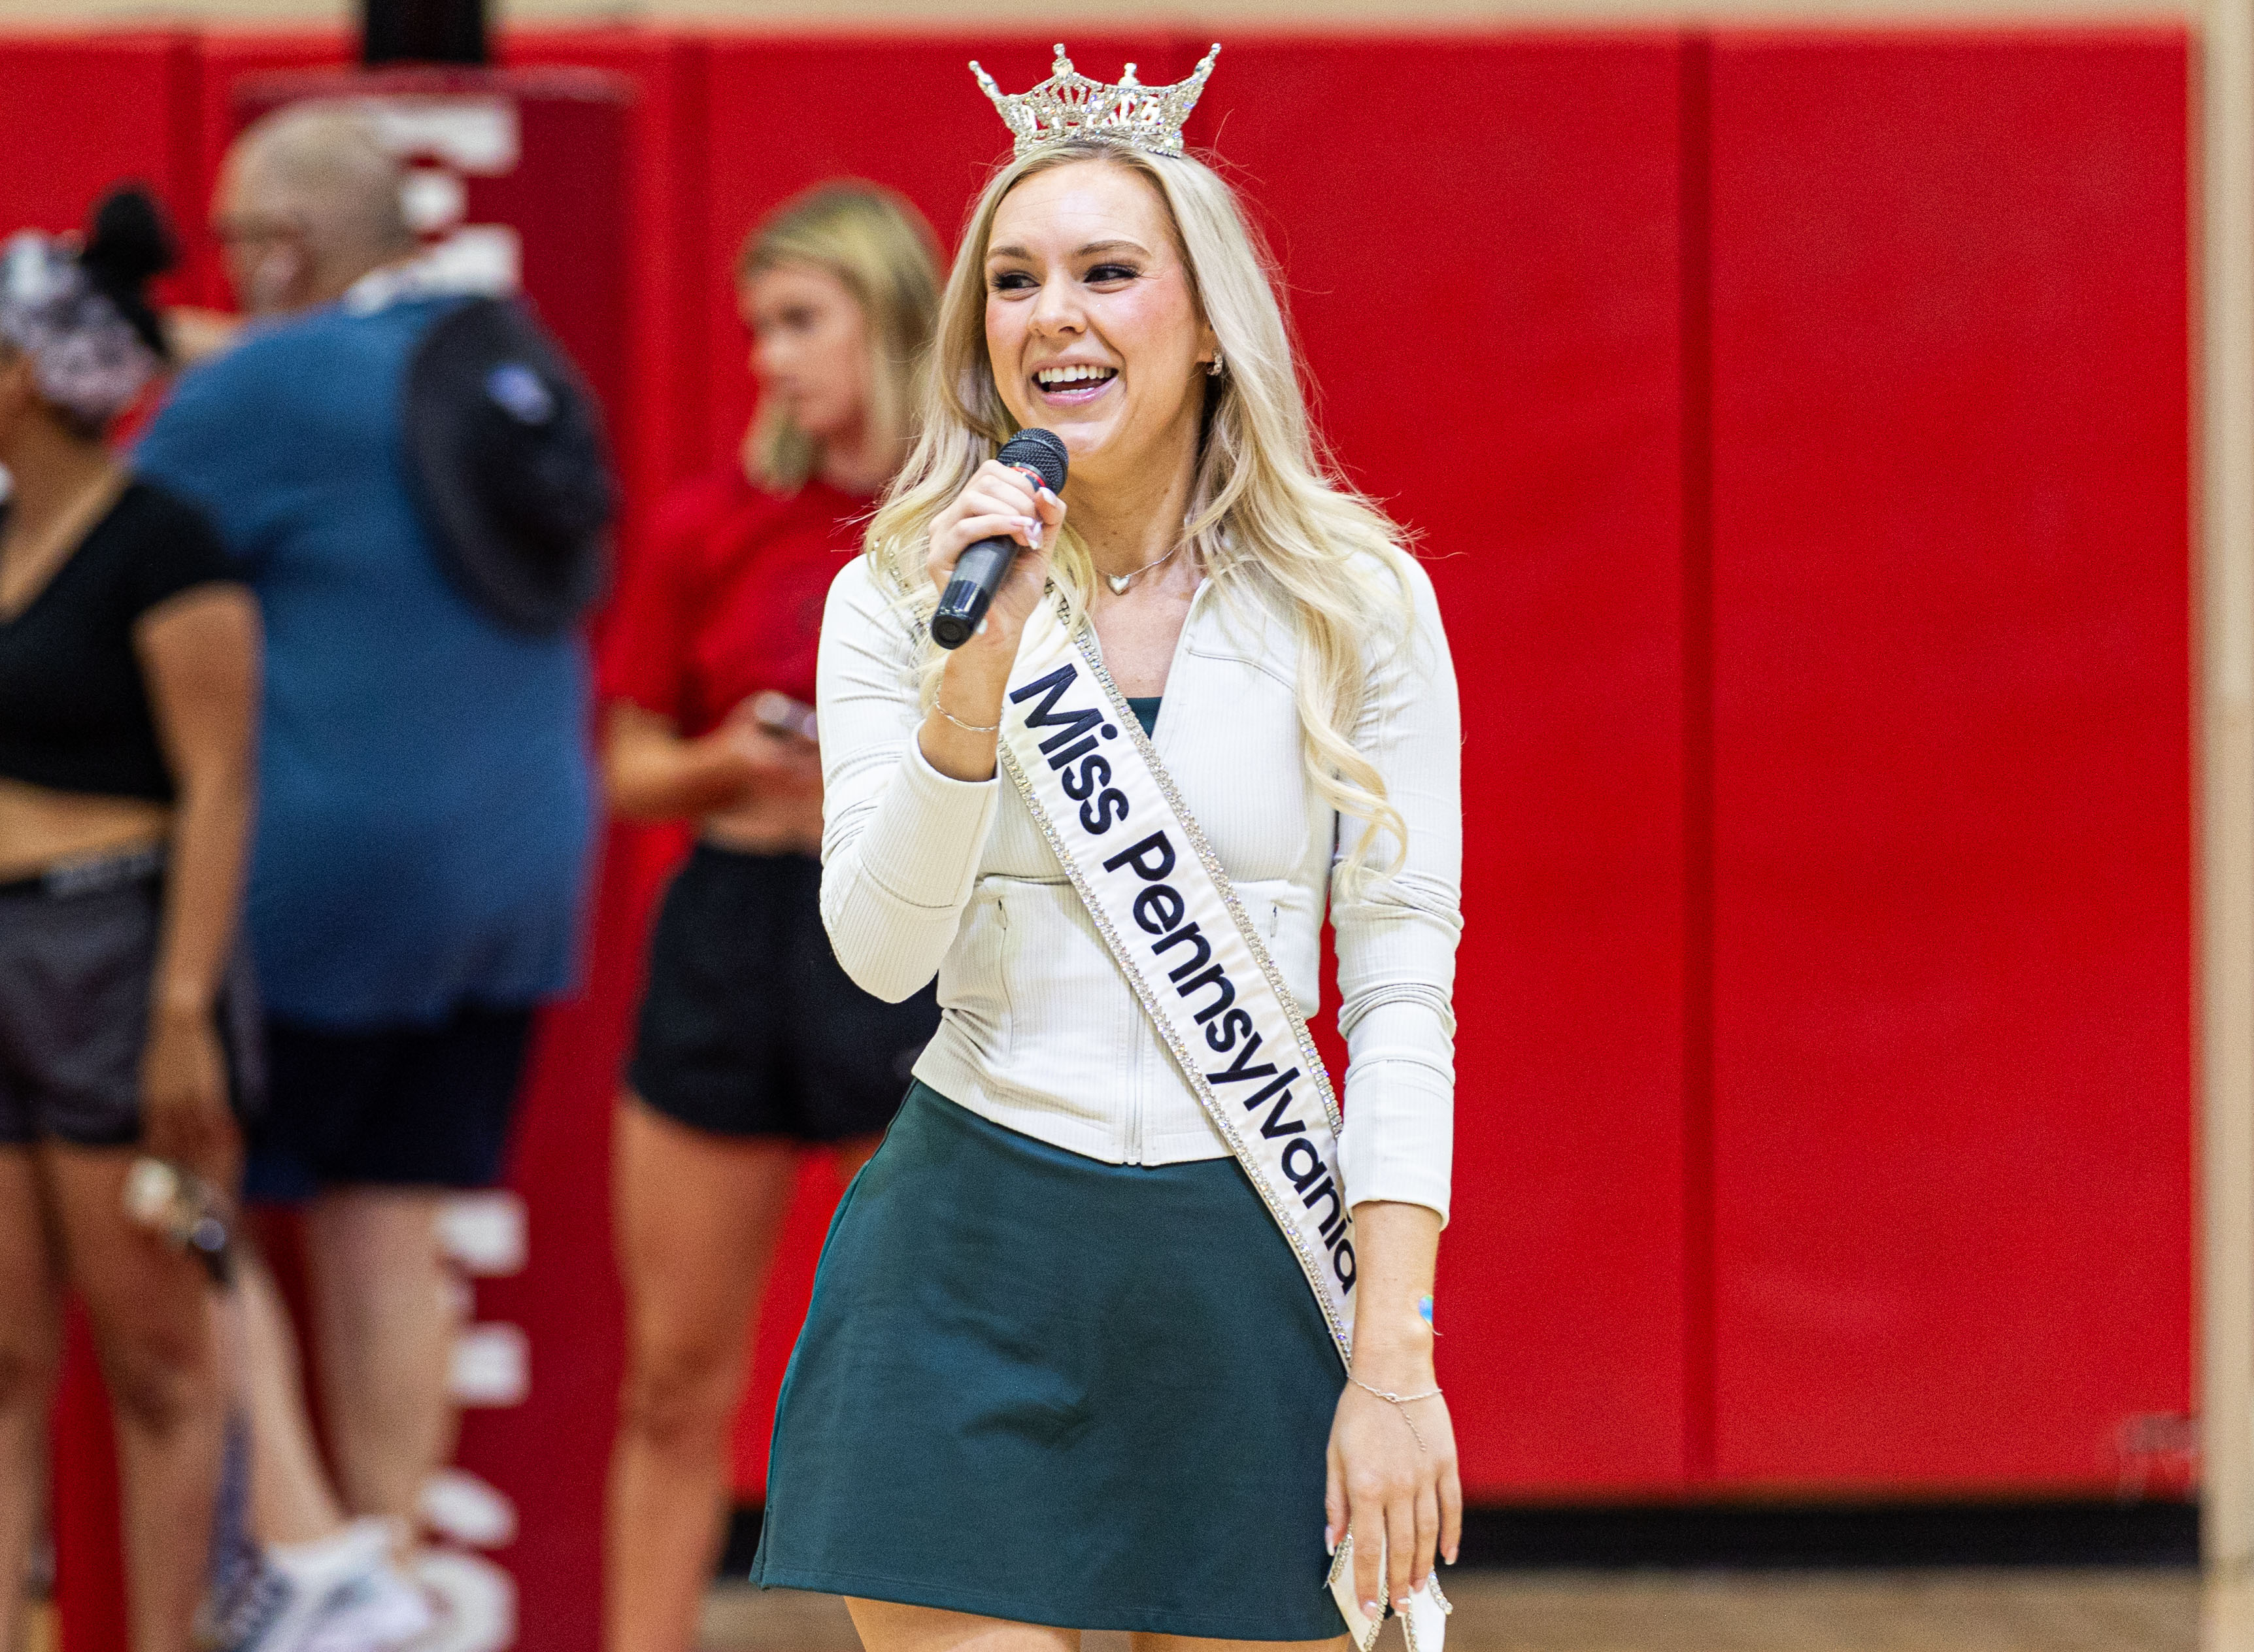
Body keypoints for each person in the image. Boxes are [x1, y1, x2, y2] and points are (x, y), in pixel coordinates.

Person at [752, 44, 1465, 1652]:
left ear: (1208, 324)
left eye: (1105, 272)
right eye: (1011, 280)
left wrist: (1393, 1364)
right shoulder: (897, 591)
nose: (1049, 313)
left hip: (1243, 1261)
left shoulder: (1358, 602)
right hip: (965, 1257)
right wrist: (968, 693)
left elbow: (1403, 996)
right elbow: (878, 954)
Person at [133, 103, 599, 1642]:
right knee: (388, 1212)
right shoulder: (508, 356)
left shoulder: (260, 387)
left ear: (278, 250)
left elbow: (96, 540)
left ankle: (312, 1560)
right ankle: (387, 1572)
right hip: (520, 875)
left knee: (180, 1186)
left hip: (323, 881)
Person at [601, 182, 943, 1652]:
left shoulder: (977, 522)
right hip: (737, 924)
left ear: (892, 320)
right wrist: (730, 763)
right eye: (756, 329)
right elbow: (621, 769)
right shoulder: (712, 527)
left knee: (928, 1356)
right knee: (674, 1371)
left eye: (801, 322)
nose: (770, 360)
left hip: (915, 930)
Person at [0, 188, 261, 1652]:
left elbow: (220, 786)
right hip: (5, 952)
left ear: (27, 374)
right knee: (2, 1352)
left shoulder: (167, 544)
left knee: (157, 1351)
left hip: (112, 951)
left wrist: (182, 1015)